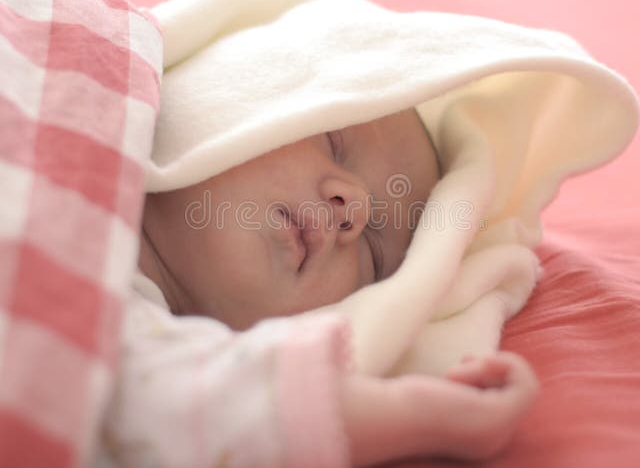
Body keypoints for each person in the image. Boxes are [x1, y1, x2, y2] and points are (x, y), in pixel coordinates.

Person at [130, 106, 539, 466]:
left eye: (374, 255)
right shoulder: (109, 74)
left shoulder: (130, 340)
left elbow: (214, 413)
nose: (355, 208)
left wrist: (421, 414)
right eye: (334, 141)